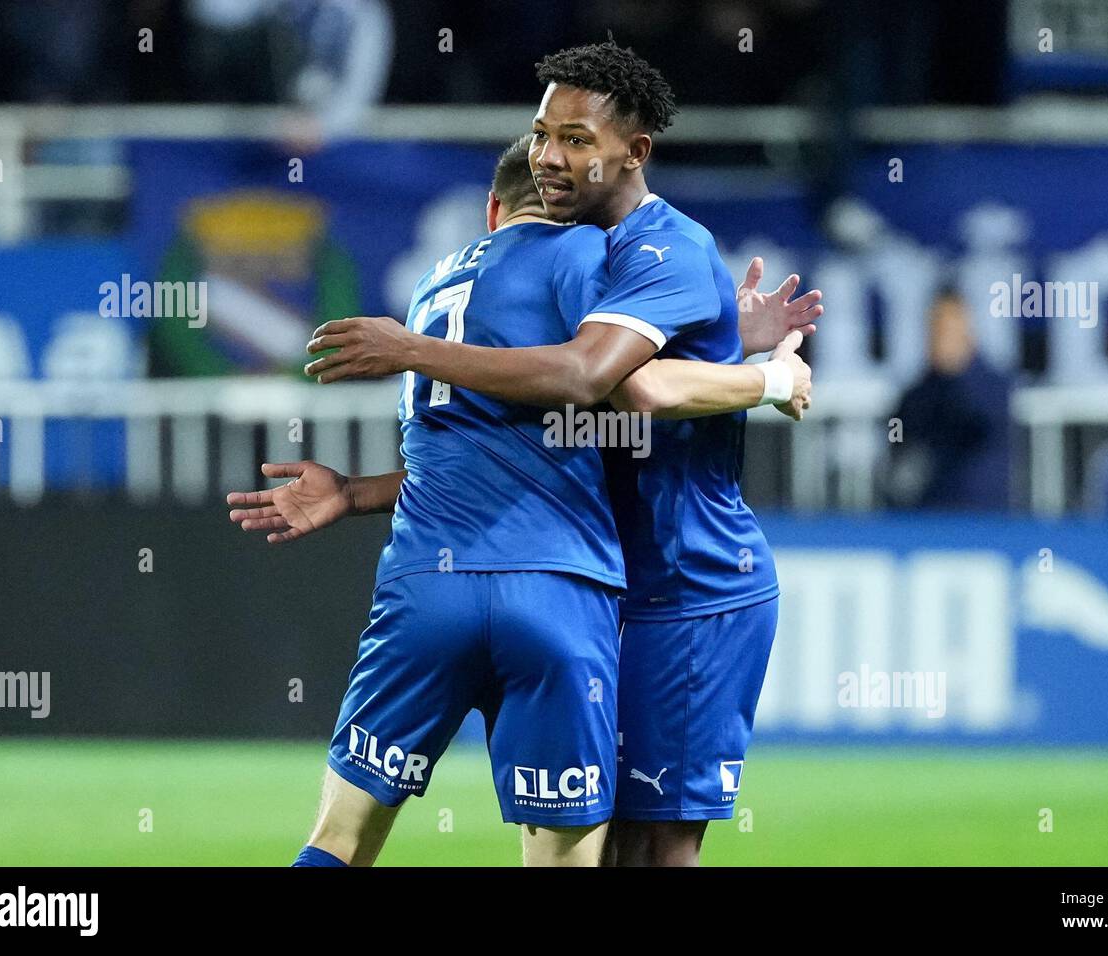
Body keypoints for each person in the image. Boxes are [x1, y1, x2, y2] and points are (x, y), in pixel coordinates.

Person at [302, 41, 823, 865]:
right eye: (542, 133)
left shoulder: (664, 248)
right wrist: (730, 346)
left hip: (688, 585)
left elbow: (610, 384)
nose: (548, 156)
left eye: (576, 139)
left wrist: (763, 377)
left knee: (654, 849)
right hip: (597, 583)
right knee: (604, 850)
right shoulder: (575, 260)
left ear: (634, 152)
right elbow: (519, 438)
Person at [882, 287, 1011, 511]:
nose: (942, 338)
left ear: (969, 332)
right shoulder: (916, 394)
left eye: (949, 329)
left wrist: (955, 379)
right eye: (936, 329)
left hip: (985, 516)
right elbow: (897, 441)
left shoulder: (995, 387)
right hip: (928, 517)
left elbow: (977, 427)